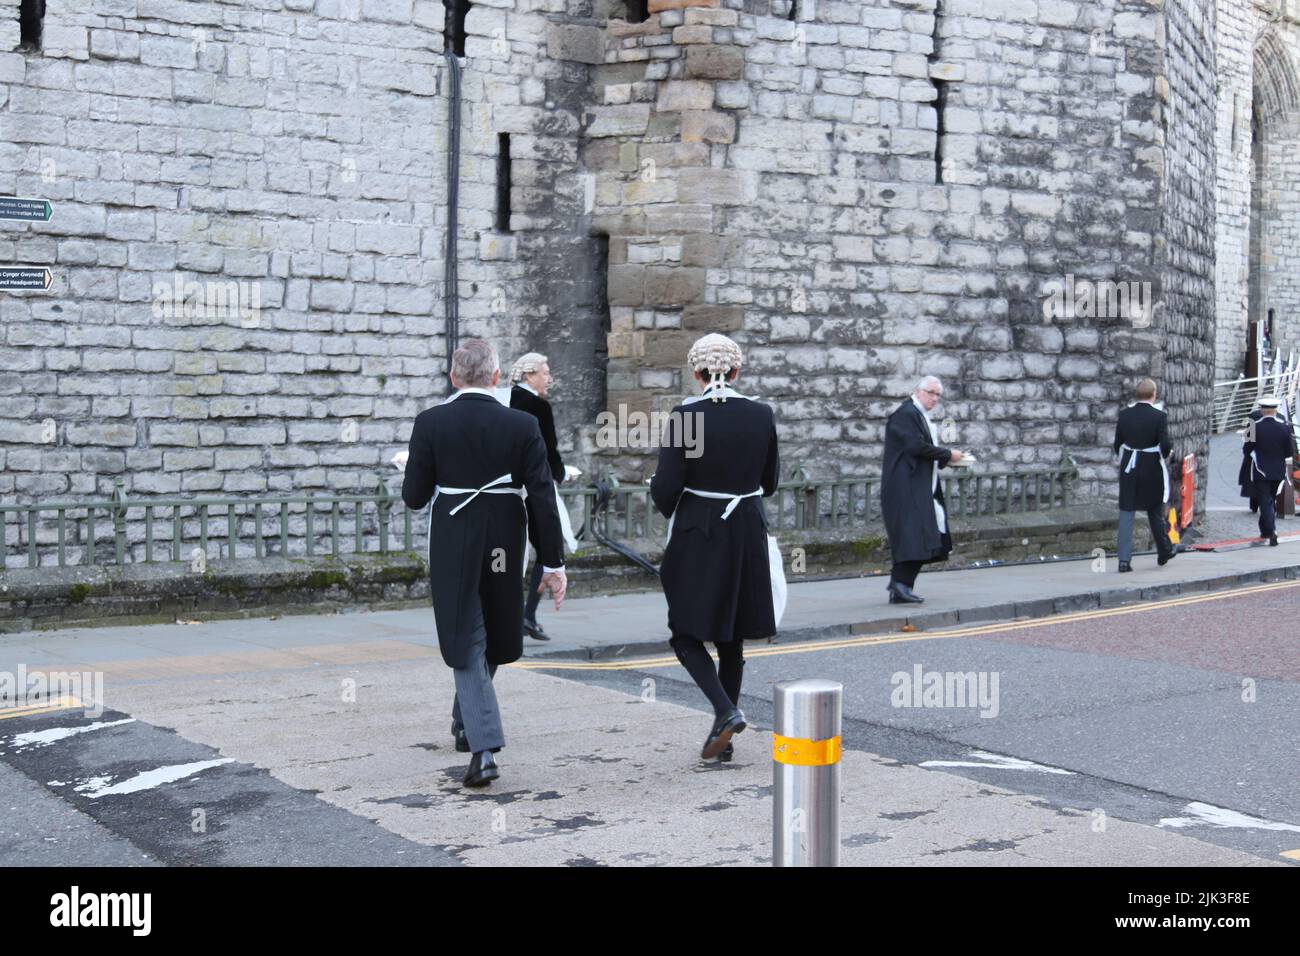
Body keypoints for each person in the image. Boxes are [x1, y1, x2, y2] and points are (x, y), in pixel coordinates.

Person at [401, 339, 567, 787]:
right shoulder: (522, 424)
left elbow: (414, 497)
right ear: (496, 377)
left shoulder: (431, 422)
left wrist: (419, 469)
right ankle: (468, 721)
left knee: (465, 632)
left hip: (456, 536)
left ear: (454, 377)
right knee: (489, 631)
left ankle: (483, 748)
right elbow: (542, 498)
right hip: (503, 541)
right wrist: (553, 562)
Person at [650, 333, 780, 762]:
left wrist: (672, 497)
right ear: (737, 370)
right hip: (745, 529)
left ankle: (725, 711)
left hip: (700, 532)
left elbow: (667, 489)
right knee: (732, 636)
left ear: (696, 373)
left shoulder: (687, 417)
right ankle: (725, 738)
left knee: (685, 633)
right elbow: (770, 483)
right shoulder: (761, 415)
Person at [508, 352, 577, 641]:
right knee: (548, 547)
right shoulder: (538, 406)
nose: (550, 378)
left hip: (505, 489)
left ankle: (513, 615)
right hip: (534, 489)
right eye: (545, 372)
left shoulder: (504, 400)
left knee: (509, 552)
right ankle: (527, 616)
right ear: (528, 375)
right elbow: (548, 450)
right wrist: (562, 474)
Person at [880, 376, 964, 604]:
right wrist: (948, 454)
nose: (934, 398)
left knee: (925, 537)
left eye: (938, 395)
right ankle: (900, 586)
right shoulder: (906, 414)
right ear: (918, 391)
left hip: (917, 487)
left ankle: (901, 586)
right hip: (904, 489)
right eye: (931, 393)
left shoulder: (917, 415)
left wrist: (948, 459)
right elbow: (914, 446)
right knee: (913, 537)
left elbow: (921, 450)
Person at [1112, 377, 1176, 572]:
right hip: (1150, 467)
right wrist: (1168, 453)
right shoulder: (1159, 416)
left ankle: (1124, 561)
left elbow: (1117, 444)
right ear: (1153, 394)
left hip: (1129, 467)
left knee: (1126, 512)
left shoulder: (1124, 415)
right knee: (1155, 510)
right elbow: (1164, 446)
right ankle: (1164, 551)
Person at [1243, 396, 1293, 546]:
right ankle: (1265, 530)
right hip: (1278, 470)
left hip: (1260, 469)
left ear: (1261, 410)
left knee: (1265, 501)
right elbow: (1289, 452)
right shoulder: (1285, 426)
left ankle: (1271, 531)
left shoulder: (1253, 426)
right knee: (1270, 500)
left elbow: (1246, 450)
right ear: (1275, 410)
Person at [1238, 403, 1265, 514]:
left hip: (1255, 453)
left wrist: (1246, 451)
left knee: (1252, 478)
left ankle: (1254, 505)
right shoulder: (1280, 418)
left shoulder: (1254, 416)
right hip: (1272, 455)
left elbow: (1249, 436)